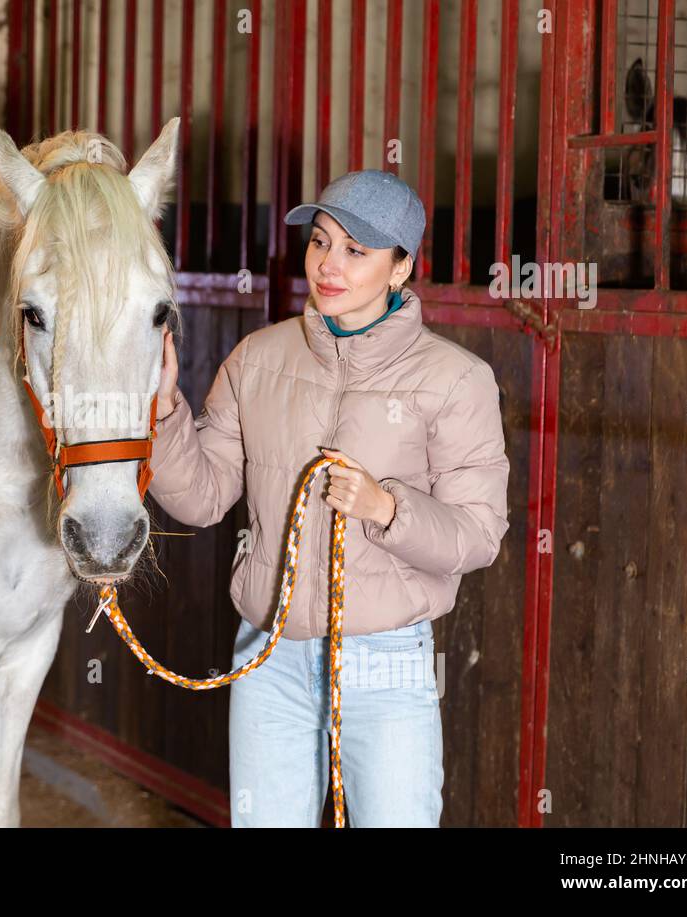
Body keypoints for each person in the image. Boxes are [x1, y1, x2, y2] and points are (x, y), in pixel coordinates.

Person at [148, 169, 510, 827]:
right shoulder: (256, 361)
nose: (328, 265)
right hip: (269, 656)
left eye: (356, 250)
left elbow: (480, 533)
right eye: (321, 242)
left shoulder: (457, 380)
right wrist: (166, 406)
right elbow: (201, 497)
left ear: (401, 268)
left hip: (388, 662)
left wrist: (388, 509)